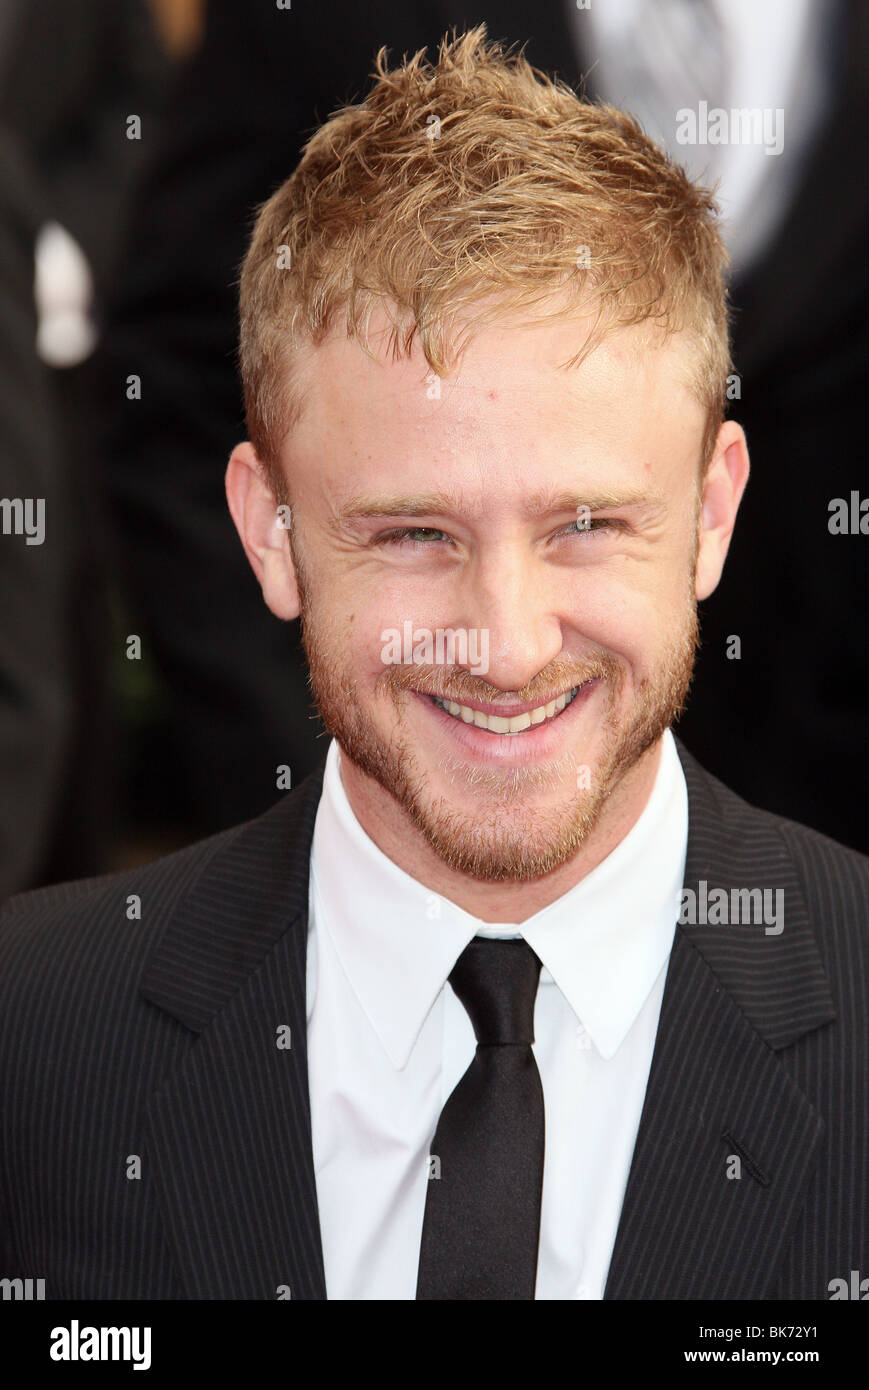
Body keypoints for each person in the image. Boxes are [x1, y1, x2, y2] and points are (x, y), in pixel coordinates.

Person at [0, 28, 865, 1301]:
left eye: (585, 524)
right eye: (414, 534)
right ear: (268, 532)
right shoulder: (31, 1046)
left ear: (711, 515)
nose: (505, 645)